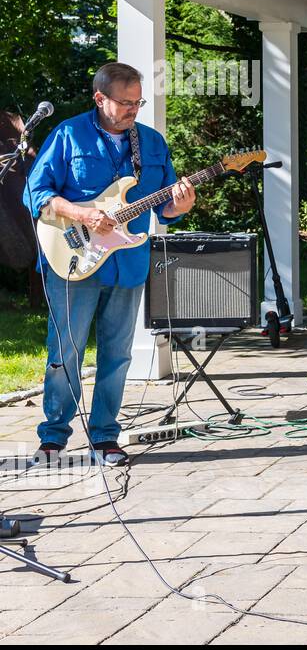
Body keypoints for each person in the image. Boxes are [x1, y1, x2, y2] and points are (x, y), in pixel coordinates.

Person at [25, 62, 196, 466]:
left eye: (138, 102)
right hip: (70, 260)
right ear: (100, 98)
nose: (133, 110)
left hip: (129, 263)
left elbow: (168, 207)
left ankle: (105, 437)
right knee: (64, 352)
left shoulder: (151, 143)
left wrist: (181, 204)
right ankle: (54, 438)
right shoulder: (68, 134)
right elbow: (36, 192)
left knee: (118, 354)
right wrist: (84, 216)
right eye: (125, 103)